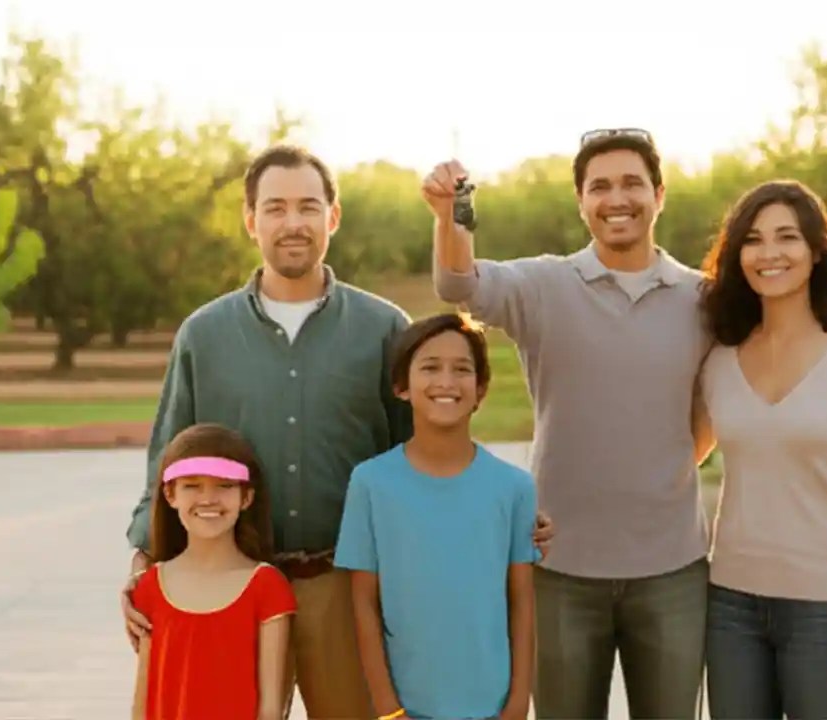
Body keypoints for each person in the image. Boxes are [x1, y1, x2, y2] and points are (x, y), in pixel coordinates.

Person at [120, 144, 553, 719]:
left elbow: (425, 451)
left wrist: (501, 514)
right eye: (275, 208)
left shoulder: (381, 328)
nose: (293, 223)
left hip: (344, 587)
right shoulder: (205, 333)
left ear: (334, 216)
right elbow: (169, 457)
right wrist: (143, 558)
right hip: (237, 585)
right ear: (251, 220)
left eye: (308, 206)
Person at [425, 129, 712, 719]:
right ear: (581, 201)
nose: (617, 198)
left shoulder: (703, 299)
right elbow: (457, 284)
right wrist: (450, 215)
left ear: (659, 194)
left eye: (632, 183)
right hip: (560, 574)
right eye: (599, 186)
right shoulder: (543, 286)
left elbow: (722, 409)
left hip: (673, 576)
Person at [695, 179, 827, 719]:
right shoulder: (719, 359)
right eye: (753, 239)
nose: (769, 253)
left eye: (786, 237)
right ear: (736, 255)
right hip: (730, 607)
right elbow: (681, 459)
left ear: (817, 251)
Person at [335, 312, 538, 720]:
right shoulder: (370, 484)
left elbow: (522, 603)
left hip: (491, 708)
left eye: (461, 370)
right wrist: (389, 710)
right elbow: (363, 604)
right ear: (402, 386)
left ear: (480, 389)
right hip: (408, 708)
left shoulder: (513, 487)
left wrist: (518, 703)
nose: (446, 382)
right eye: (429, 368)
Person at [130, 422, 296, 720]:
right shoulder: (151, 586)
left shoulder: (266, 585)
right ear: (170, 495)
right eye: (192, 485)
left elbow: (271, 706)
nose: (208, 499)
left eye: (225, 486)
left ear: (246, 497)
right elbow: (142, 703)